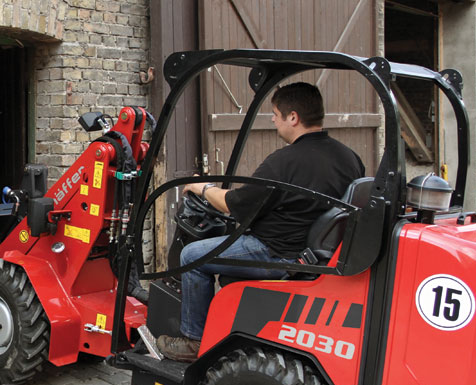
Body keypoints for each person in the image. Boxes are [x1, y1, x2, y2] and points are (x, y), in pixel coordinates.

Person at [156, 82, 365, 362]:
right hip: (316, 253)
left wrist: (203, 188)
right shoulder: (349, 158)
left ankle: (194, 340)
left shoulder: (284, 162)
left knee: (192, 255)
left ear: (293, 117)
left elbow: (235, 205)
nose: (274, 121)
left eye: (276, 114)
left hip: (276, 252)